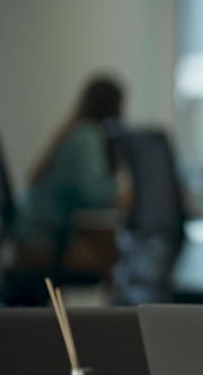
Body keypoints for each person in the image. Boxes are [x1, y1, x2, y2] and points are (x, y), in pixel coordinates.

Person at [15, 74, 123, 278]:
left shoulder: (72, 131)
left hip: (29, 236)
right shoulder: (87, 137)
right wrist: (122, 196)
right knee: (117, 257)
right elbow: (93, 194)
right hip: (46, 242)